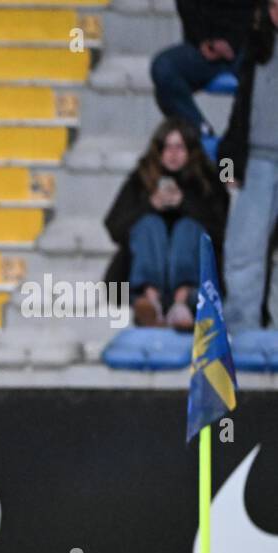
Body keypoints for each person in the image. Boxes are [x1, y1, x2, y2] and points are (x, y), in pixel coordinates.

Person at [104, 117, 227, 329]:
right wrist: (150, 205)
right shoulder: (141, 178)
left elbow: (223, 231)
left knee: (188, 226)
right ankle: (151, 303)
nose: (173, 154)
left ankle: (182, 303)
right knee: (149, 223)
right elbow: (114, 227)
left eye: (179, 147)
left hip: (196, 283)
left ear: (190, 149)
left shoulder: (208, 181)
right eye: (167, 147)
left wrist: (184, 203)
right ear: (158, 150)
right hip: (142, 282)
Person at [220, 0, 278, 331]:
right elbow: (235, 123)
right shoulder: (255, 51)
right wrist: (229, 173)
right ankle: (241, 330)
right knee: (244, 251)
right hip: (257, 161)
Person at [151, 0, 253, 138]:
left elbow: (260, 13)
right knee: (164, 69)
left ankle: (245, 139)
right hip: (204, 47)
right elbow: (188, 8)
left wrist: (232, 43)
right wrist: (206, 43)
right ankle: (201, 132)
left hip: (249, 47)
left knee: (265, 75)